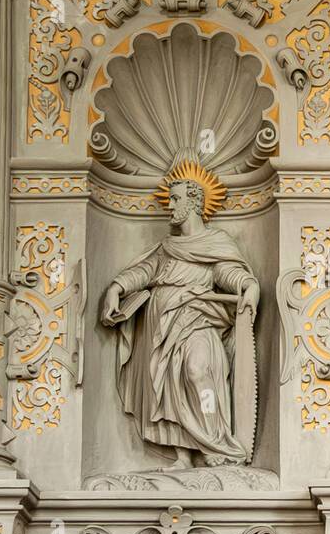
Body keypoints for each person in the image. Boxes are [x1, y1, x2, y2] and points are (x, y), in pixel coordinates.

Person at [101, 165, 259, 468]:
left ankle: (216, 443)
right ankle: (184, 455)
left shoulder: (215, 243)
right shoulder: (167, 248)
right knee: (168, 386)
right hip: (162, 327)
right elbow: (144, 271)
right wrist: (116, 288)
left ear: (194, 202)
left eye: (174, 199)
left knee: (198, 372)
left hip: (197, 319)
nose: (169, 206)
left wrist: (248, 286)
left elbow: (228, 272)